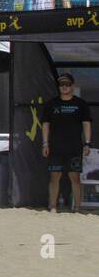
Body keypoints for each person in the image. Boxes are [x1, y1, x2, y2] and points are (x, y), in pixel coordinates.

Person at [42, 72, 92, 213]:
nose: (64, 87)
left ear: (72, 86)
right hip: (55, 147)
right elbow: (46, 124)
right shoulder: (51, 104)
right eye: (61, 85)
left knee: (74, 176)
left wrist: (87, 143)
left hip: (74, 147)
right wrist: (45, 144)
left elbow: (86, 124)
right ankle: (53, 206)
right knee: (54, 176)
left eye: (67, 84)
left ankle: (77, 207)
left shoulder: (80, 104)